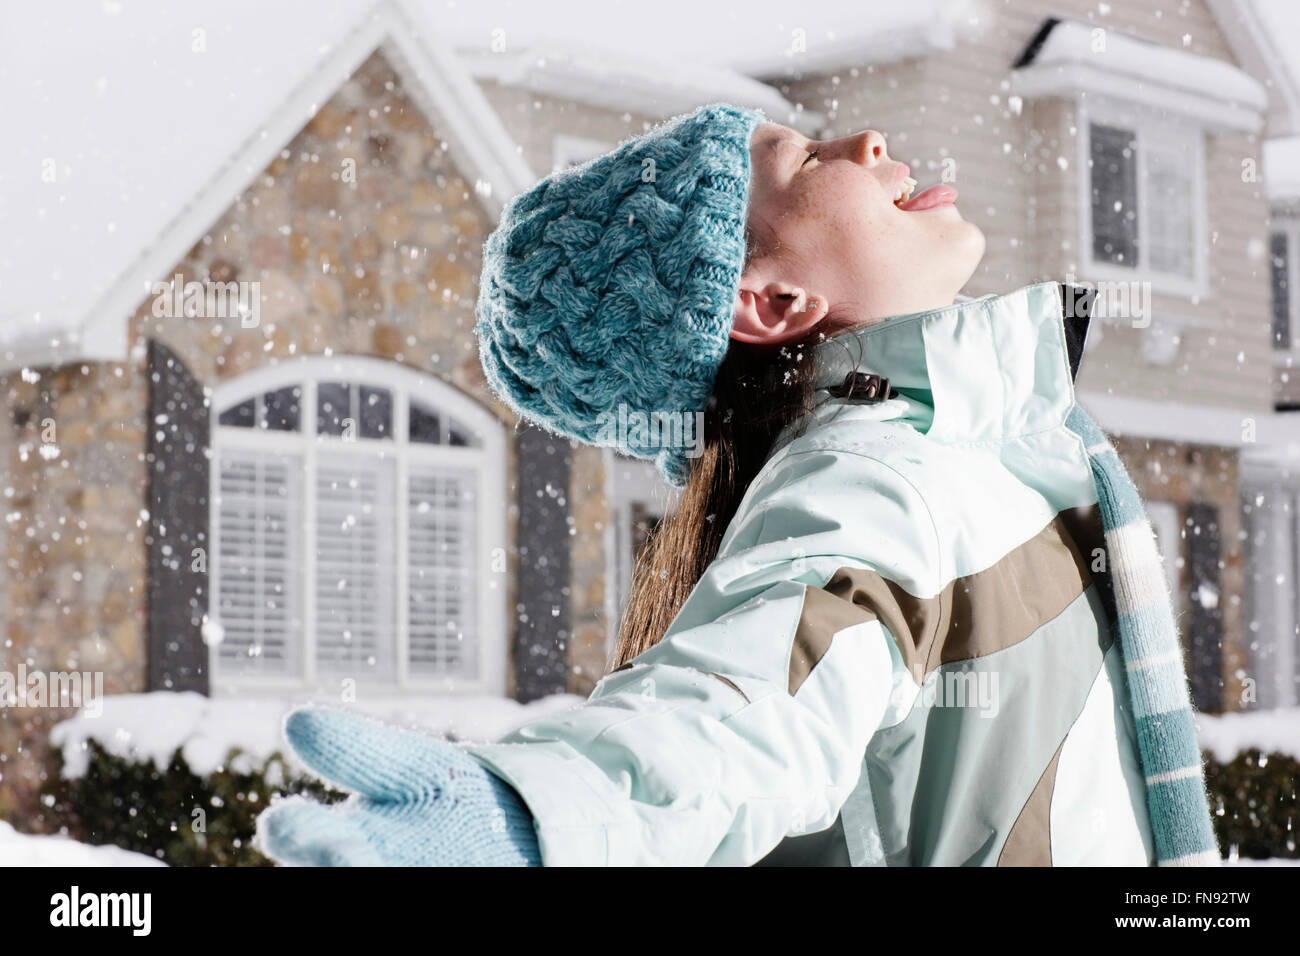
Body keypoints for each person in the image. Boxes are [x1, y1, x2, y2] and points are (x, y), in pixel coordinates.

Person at [255, 103, 1220, 867]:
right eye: (804, 160)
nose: (869, 141)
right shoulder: (866, 483)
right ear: (773, 300)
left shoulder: (981, 441)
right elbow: (737, 714)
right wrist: (536, 816)